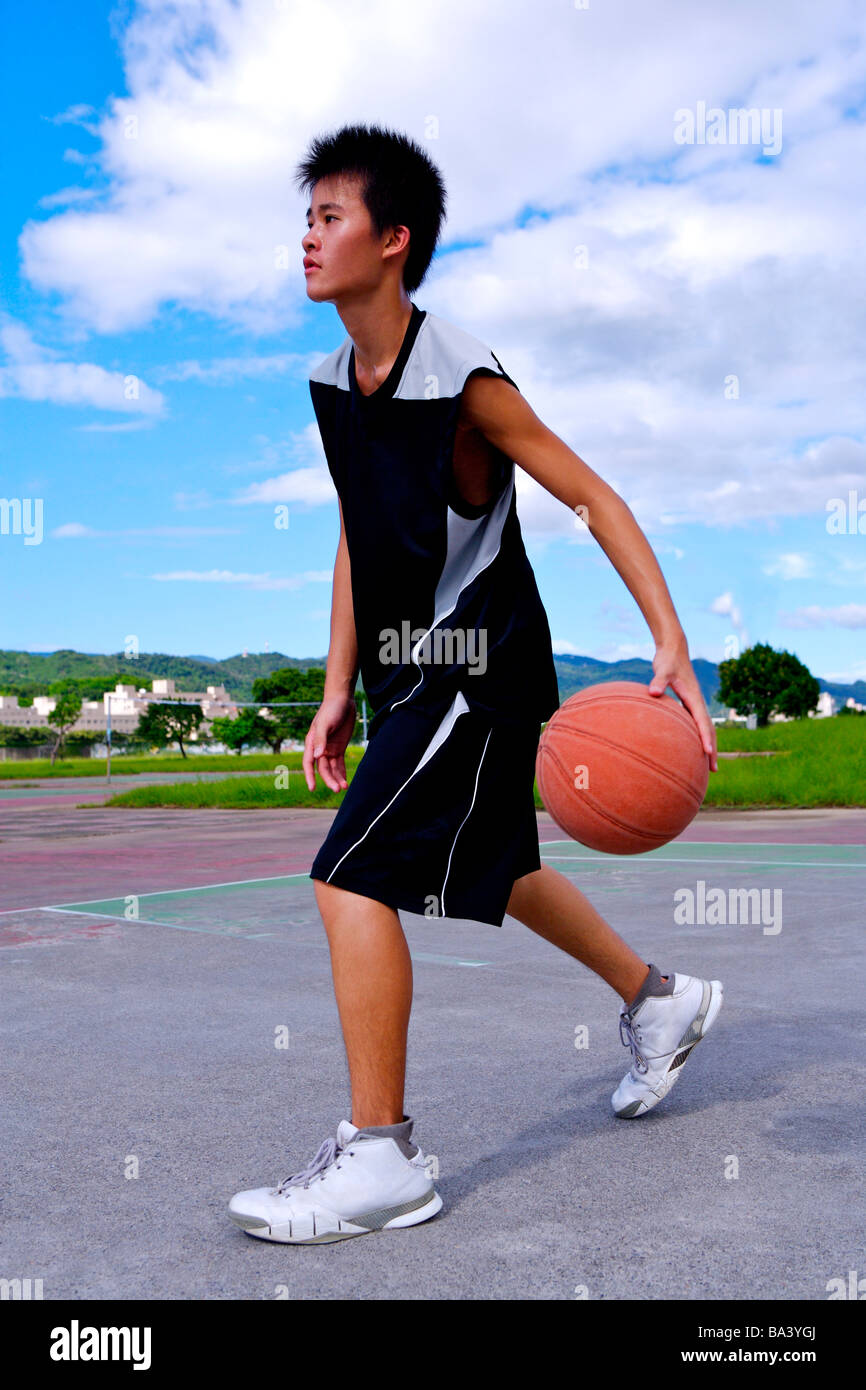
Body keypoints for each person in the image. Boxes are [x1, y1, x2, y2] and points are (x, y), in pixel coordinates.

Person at [228, 123, 723, 1246]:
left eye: (330, 217)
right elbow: (359, 533)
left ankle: (381, 1156)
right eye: (303, 218)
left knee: (349, 873)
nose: (306, 238)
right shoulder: (329, 378)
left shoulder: (461, 374)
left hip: (479, 659)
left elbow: (589, 493)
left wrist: (669, 638)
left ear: (393, 241)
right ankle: (660, 1000)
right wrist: (334, 687)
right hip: (413, 669)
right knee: (491, 867)